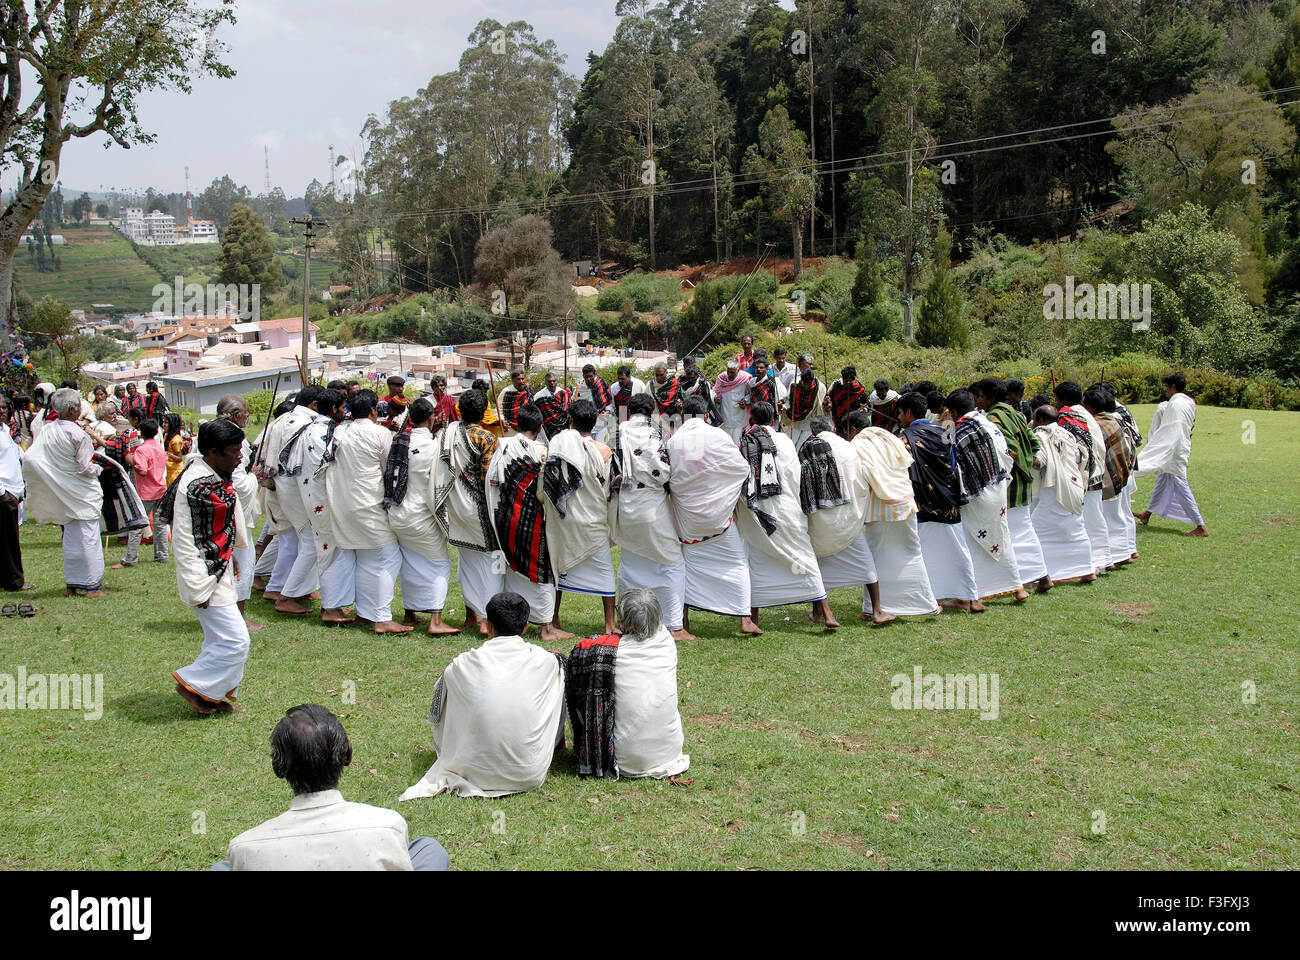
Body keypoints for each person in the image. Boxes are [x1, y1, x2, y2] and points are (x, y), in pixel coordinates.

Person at [219, 704, 449, 871]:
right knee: (429, 849)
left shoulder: (245, 848)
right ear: (347, 755)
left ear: (279, 767)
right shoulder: (388, 825)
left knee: (222, 867)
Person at [401, 591, 566, 799]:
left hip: (472, 773)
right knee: (561, 671)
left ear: (487, 625)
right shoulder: (548, 662)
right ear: (525, 627)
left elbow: (437, 712)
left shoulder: (462, 665)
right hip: (529, 774)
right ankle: (559, 745)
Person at [170, 418, 253, 715]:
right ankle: (192, 685)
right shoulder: (200, 484)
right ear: (214, 453)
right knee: (236, 639)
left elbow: (220, 533)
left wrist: (229, 563)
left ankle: (209, 697)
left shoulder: (210, 474)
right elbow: (216, 525)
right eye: (234, 451)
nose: (240, 456)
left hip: (214, 569)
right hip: (203, 573)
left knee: (220, 639)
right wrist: (215, 572)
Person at [565, 588, 689, 780]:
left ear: (622, 619)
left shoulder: (600, 649)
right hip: (668, 753)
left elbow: (577, 656)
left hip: (622, 759)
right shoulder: (666, 641)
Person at [666, 396, 761, 636]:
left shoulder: (673, 441)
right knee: (738, 563)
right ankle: (745, 619)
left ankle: (684, 620)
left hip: (687, 521)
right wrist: (720, 492)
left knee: (686, 568)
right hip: (719, 518)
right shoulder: (718, 436)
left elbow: (669, 478)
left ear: (683, 416)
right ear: (707, 414)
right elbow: (741, 469)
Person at [735, 402, 830, 628]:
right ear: (775, 420)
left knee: (757, 561)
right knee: (805, 557)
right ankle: (826, 613)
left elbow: (741, 478)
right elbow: (795, 476)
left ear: (751, 420)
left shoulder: (744, 442)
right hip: (787, 508)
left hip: (759, 514)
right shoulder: (785, 441)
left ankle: (753, 618)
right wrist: (798, 505)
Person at [323, 390, 411, 634]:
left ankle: (365, 613)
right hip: (368, 503)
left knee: (364, 558)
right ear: (374, 410)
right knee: (389, 556)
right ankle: (381, 617)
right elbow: (388, 467)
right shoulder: (380, 432)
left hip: (342, 502)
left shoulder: (342, 431)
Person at [801, 414, 894, 625]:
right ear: (833, 429)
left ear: (813, 432)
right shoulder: (849, 448)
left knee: (818, 566)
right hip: (849, 521)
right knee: (866, 563)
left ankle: (818, 612)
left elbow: (803, 489)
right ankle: (877, 610)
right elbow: (862, 480)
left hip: (820, 523)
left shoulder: (806, 450)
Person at [852, 398, 941, 619]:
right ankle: (925, 604)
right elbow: (907, 462)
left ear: (852, 429)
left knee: (877, 556)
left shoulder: (857, 445)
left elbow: (860, 480)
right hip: (905, 501)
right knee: (911, 552)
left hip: (879, 506)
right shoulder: (890, 436)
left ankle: (871, 608)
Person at [613, 395, 690, 641]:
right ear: (652, 411)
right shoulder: (655, 431)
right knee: (672, 561)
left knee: (630, 561)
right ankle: (675, 626)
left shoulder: (617, 432)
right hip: (650, 505)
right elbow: (663, 470)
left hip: (625, 506)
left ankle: (627, 621)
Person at [899, 390, 983, 612]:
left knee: (922, 553)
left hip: (922, 503)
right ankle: (969, 597)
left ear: (908, 412)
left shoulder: (905, 438)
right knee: (957, 549)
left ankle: (929, 598)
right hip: (948, 500)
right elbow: (954, 464)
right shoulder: (945, 432)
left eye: (900, 413)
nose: (899, 418)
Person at [487, 403, 564, 640]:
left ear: (517, 424)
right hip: (533, 522)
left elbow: (492, 482)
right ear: (540, 426)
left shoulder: (502, 447)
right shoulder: (540, 450)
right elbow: (550, 487)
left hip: (506, 518)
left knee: (515, 569)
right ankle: (546, 627)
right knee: (541, 570)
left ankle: (515, 620)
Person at [21, 388, 106, 598]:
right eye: (78, 404)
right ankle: (92, 587)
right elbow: (85, 467)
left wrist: (55, 477)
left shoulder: (49, 429)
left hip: (65, 493)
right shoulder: (78, 434)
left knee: (71, 540)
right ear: (71, 409)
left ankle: (72, 585)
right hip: (82, 493)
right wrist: (102, 468)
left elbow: (31, 457)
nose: (80, 408)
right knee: (88, 540)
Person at [384, 397, 458, 636]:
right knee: (439, 565)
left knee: (410, 563)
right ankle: (435, 620)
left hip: (396, 513)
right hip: (420, 516)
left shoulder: (398, 440)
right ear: (431, 418)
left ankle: (409, 613)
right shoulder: (434, 446)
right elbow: (439, 483)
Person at [544, 397, 618, 636]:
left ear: (571, 422)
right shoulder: (604, 451)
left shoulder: (559, 442)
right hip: (592, 520)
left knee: (558, 567)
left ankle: (553, 618)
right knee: (605, 571)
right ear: (594, 423)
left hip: (564, 517)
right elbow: (608, 489)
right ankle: (609, 624)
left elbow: (548, 479)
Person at [433, 388, 503, 635]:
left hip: (456, 508)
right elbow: (488, 478)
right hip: (481, 510)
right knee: (491, 565)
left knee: (467, 563)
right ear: (484, 412)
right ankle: (487, 620)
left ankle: (471, 615)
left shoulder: (446, 434)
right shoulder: (486, 438)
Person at [974, 378, 1052, 594]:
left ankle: (1022, 581)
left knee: (1013, 533)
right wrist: (1027, 467)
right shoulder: (1014, 412)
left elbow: (1007, 449)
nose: (977, 399)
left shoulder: (994, 417)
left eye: (980, 395)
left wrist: (1004, 475)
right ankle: (1040, 577)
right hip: (1023, 482)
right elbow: (1034, 442)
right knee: (1023, 530)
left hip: (1012, 484)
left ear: (989, 397)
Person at [949, 389, 1027, 602]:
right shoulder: (988, 424)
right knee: (1001, 535)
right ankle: (1017, 587)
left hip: (978, 493)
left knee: (972, 539)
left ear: (954, 412)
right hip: (999, 486)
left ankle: (972, 595)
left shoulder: (963, 430)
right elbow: (1006, 454)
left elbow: (959, 467)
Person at [1030, 406, 1097, 584]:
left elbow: (1039, 462)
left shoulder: (1041, 435)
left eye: (1035, 420)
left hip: (1054, 490)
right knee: (1076, 529)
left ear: (1042, 421)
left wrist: (1021, 455)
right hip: (1074, 485)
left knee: (1033, 532)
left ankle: (1038, 574)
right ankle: (1088, 570)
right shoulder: (1068, 434)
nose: (1034, 423)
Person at [1134, 372, 1207, 537]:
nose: (1165, 391)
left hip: (1174, 449)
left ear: (1173, 387)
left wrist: (1160, 448)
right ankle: (1147, 514)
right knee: (1162, 480)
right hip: (1179, 446)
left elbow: (1172, 428)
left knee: (1180, 485)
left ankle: (1200, 526)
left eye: (1167, 387)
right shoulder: (1187, 402)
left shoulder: (1176, 404)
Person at [215, 394, 262, 631]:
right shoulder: (236, 439)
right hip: (232, 509)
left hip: (218, 507)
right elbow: (238, 482)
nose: (247, 416)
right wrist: (255, 475)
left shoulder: (212, 432)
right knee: (242, 562)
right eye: (245, 413)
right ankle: (239, 617)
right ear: (235, 416)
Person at [1055, 381, 1112, 572]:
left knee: (1088, 521)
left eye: (1056, 399)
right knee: (1094, 519)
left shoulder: (1069, 417)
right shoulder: (1083, 413)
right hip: (1096, 470)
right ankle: (1103, 559)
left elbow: (1070, 447)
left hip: (1087, 473)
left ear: (1062, 400)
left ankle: (1095, 562)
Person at [1085, 385, 1136, 566]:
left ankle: (1115, 556)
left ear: (1089, 408)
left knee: (1107, 518)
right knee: (1118, 516)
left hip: (1108, 477)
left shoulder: (1097, 425)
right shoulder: (1112, 420)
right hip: (1121, 474)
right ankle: (1125, 552)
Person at [113, 418, 169, 568]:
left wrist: (132, 462)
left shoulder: (142, 450)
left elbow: (142, 471)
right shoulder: (159, 448)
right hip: (161, 490)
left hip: (146, 492)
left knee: (137, 526)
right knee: (160, 525)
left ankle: (130, 558)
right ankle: (162, 556)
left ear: (142, 434)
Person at [0, 405, 32, 594]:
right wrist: (2, 492)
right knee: (7, 541)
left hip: (14, 492)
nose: (2, 411)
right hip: (4, 494)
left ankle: (9, 578)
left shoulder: (5, 429)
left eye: (4, 407)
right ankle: (14, 581)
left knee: (10, 539)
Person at [786, 356, 826, 450]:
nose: (811, 366)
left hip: (810, 423)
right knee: (789, 446)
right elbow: (788, 400)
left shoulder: (819, 386)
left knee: (803, 447)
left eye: (812, 364)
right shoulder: (794, 383)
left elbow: (822, 407)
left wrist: (826, 405)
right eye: (809, 364)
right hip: (794, 422)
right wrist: (783, 407)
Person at [712, 360, 753, 443]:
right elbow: (714, 392)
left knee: (737, 444)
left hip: (739, 418)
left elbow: (751, 394)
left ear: (738, 371)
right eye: (728, 372)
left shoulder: (745, 378)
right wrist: (715, 398)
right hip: (724, 417)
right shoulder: (722, 378)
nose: (730, 375)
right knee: (725, 444)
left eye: (732, 372)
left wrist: (745, 401)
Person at [607, 365, 647, 443]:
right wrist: (608, 411)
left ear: (629, 377)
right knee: (623, 440)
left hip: (636, 416)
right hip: (621, 414)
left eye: (623, 379)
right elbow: (612, 405)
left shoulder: (639, 385)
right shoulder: (614, 387)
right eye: (618, 378)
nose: (620, 381)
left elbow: (645, 402)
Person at [577, 364, 613, 443]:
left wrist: (608, 411)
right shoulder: (580, 387)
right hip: (586, 424)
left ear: (594, 374)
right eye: (586, 377)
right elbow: (575, 402)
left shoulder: (601, 383)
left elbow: (610, 402)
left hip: (601, 421)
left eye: (591, 376)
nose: (589, 379)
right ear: (583, 376)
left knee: (601, 446)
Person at [827, 366, 869, 436]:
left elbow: (867, 403)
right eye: (846, 380)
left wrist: (864, 408)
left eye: (850, 380)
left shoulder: (859, 389)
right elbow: (829, 400)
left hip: (853, 423)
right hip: (838, 422)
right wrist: (828, 404)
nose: (848, 382)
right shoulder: (836, 387)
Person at [533, 370, 571, 440]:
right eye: (549, 381)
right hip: (548, 427)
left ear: (557, 381)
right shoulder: (539, 396)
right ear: (545, 382)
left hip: (564, 426)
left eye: (554, 381)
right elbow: (536, 412)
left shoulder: (563, 393)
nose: (552, 383)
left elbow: (567, 410)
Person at [649, 361, 680, 437]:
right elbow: (647, 403)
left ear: (666, 372)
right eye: (657, 375)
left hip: (674, 418)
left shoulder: (674, 383)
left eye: (661, 375)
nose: (659, 377)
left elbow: (681, 398)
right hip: (656, 419)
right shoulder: (650, 385)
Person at [498, 367, 533, 434]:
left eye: (522, 379)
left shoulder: (528, 390)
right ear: (513, 380)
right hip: (509, 427)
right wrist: (502, 420)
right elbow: (499, 409)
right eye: (518, 379)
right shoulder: (507, 391)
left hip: (526, 426)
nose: (521, 381)